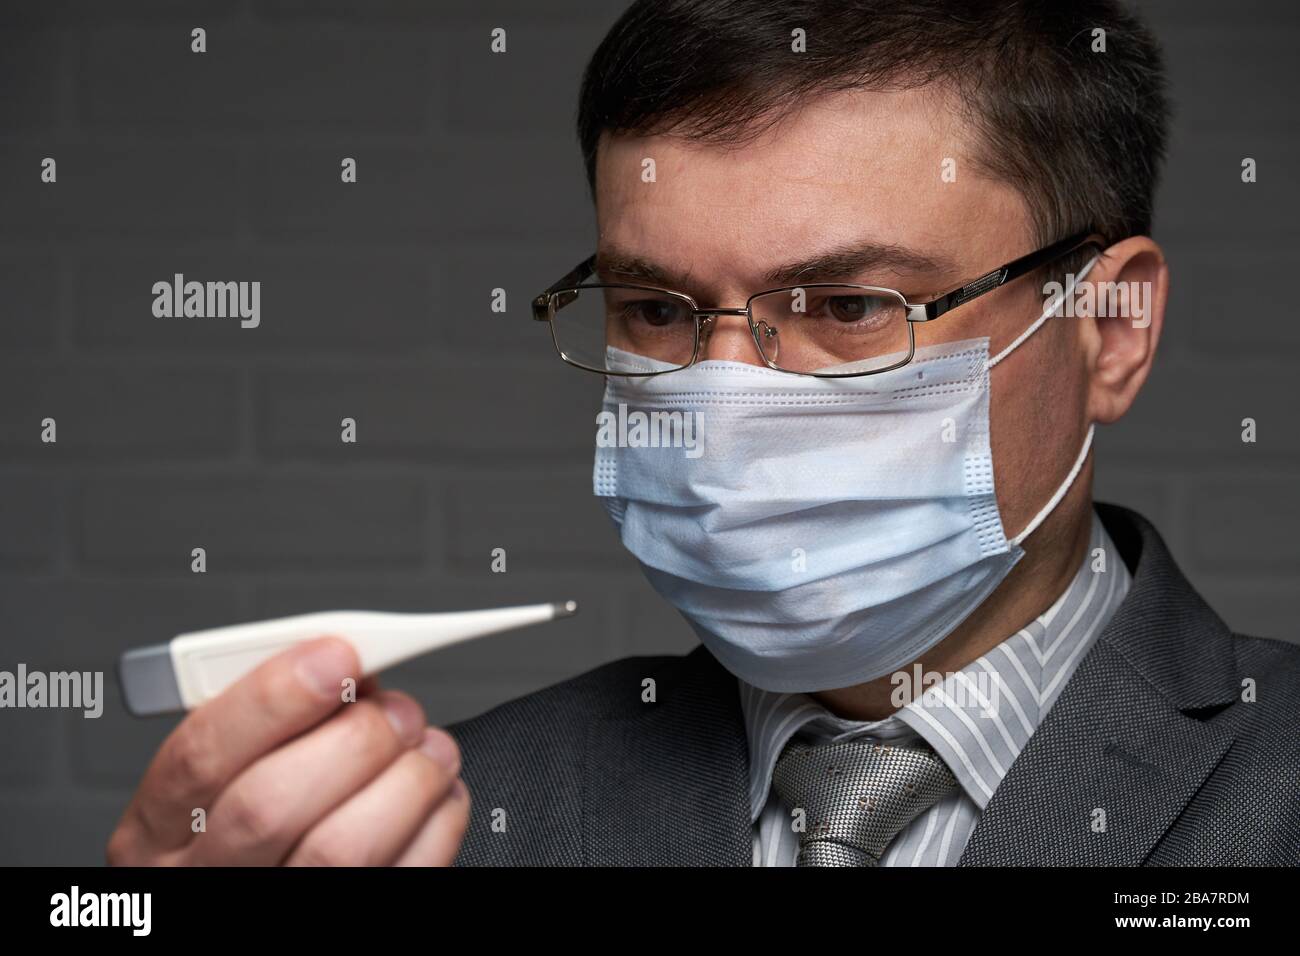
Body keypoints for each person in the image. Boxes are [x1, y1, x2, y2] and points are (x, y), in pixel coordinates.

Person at [107, 0, 1300, 868]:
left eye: (847, 308)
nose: (726, 407)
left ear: (1111, 325)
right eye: (658, 311)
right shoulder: (435, 823)